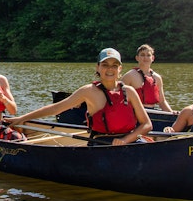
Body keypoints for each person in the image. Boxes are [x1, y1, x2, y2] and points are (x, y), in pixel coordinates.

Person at [8, 48, 152, 146]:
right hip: (102, 144)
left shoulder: (129, 91)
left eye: (114, 65)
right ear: (98, 67)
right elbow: (56, 108)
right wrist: (22, 118)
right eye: (105, 64)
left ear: (120, 69)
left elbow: (147, 124)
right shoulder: (88, 91)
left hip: (129, 143)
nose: (110, 69)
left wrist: (126, 140)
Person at [121, 44, 173, 112]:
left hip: (153, 112)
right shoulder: (129, 76)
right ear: (137, 58)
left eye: (148, 55)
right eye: (142, 55)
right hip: (135, 112)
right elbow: (118, 98)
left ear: (152, 58)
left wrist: (172, 113)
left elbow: (162, 102)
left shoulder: (157, 78)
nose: (145, 57)